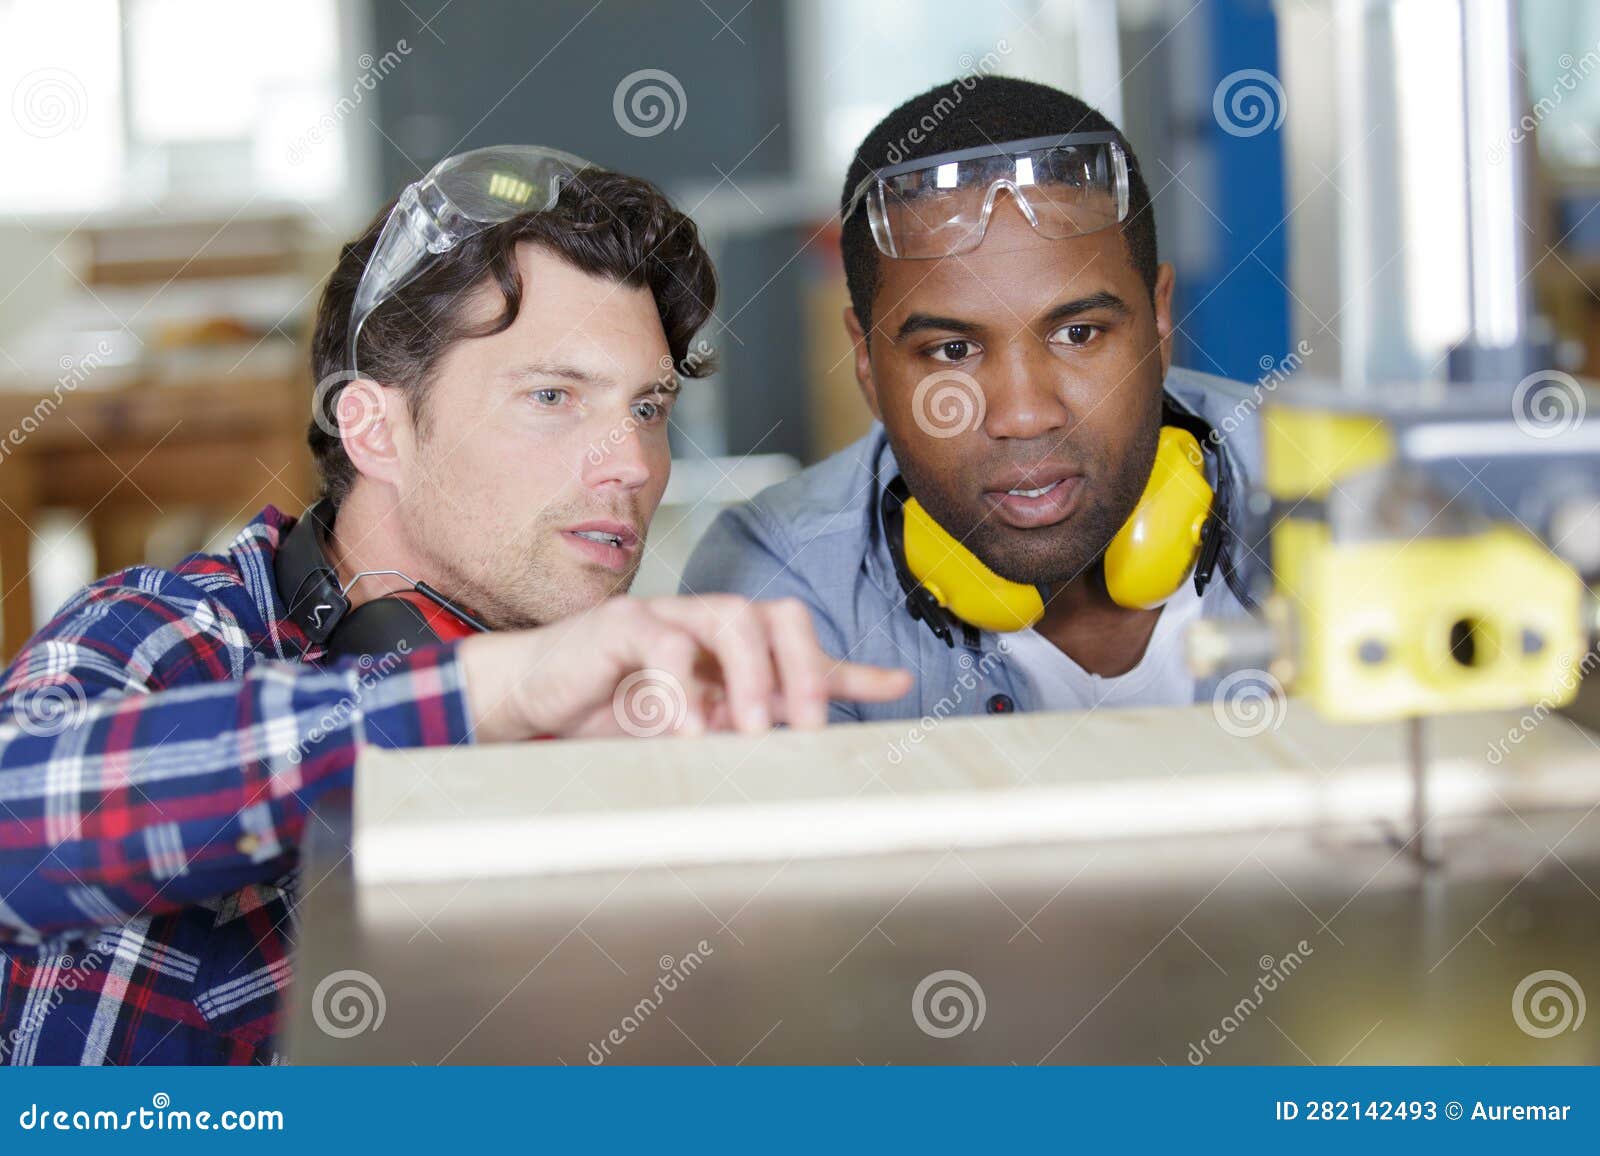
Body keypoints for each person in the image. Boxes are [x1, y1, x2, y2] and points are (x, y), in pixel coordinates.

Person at [0, 146, 909, 1065]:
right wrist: (480, 695)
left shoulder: (618, 713)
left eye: (646, 408)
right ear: (374, 427)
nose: (634, 464)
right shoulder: (172, 637)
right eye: (553, 396)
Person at [682, 78, 1261, 724]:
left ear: (1158, 321)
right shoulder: (784, 578)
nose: (1024, 414)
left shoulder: (1340, 494)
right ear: (867, 364)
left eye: (1078, 334)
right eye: (952, 351)